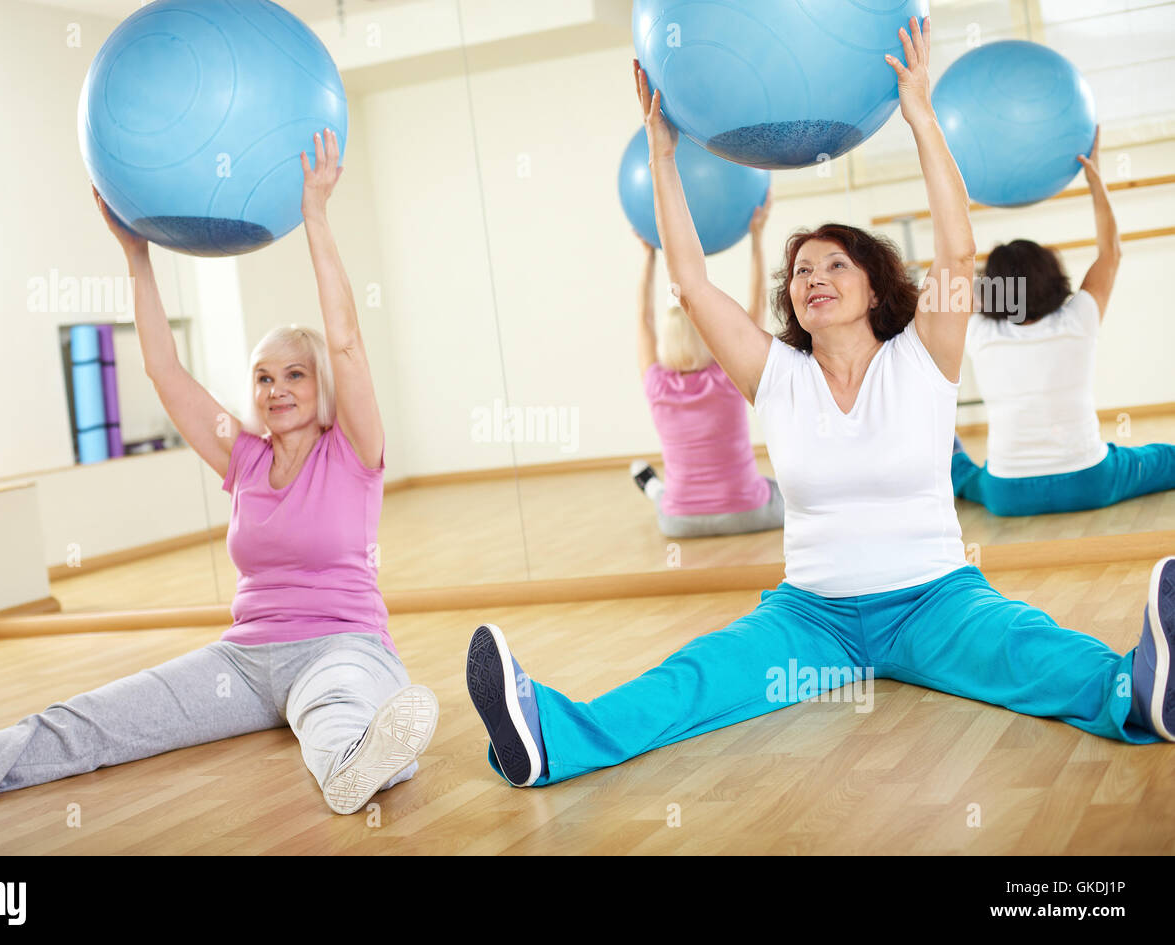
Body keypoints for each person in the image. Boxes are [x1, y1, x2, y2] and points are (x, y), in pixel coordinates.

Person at [464, 17, 1175, 790]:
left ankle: (1136, 691)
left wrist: (920, 113)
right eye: (802, 269)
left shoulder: (926, 354)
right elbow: (695, 283)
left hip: (935, 601)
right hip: (811, 618)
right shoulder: (777, 375)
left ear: (875, 285)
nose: (814, 276)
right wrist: (663, 151)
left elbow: (957, 250)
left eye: (837, 262)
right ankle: (548, 741)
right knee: (698, 675)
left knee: (1025, 647)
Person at [0, 129, 439, 817]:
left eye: (295, 373)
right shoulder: (245, 455)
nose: (276, 388)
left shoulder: (352, 451)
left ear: (320, 384)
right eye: (262, 377)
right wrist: (137, 255)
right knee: (90, 719)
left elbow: (346, 340)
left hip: (343, 646)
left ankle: (370, 760)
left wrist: (315, 215)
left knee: (332, 716)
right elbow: (165, 373)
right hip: (245, 660)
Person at [952, 127, 1175, 515]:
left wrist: (959, 180)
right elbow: (1111, 252)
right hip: (1088, 482)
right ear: (1053, 276)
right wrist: (1095, 181)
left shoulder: (979, 332)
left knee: (961, 473)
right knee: (1164, 457)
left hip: (1008, 495)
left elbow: (958, 258)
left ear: (989, 288)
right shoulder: (1079, 319)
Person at [630, 191, 784, 538]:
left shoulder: (655, 384)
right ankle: (657, 487)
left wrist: (648, 256)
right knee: (780, 489)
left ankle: (652, 487)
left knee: (663, 497)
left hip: (679, 523)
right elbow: (756, 306)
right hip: (748, 512)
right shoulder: (728, 374)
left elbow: (644, 319)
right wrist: (757, 237)